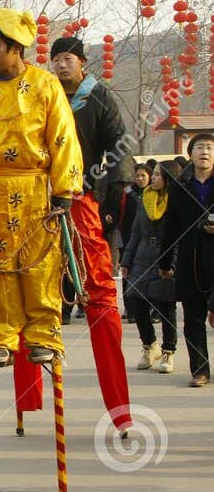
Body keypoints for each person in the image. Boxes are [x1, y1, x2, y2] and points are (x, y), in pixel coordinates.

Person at [0, 10, 82, 366]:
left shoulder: (45, 85)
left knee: (40, 262)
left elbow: (63, 136)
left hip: (36, 186)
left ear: (15, 48)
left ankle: (43, 335)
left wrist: (64, 190)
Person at [49, 35, 132, 431]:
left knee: (99, 290)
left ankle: (119, 408)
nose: (61, 66)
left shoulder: (98, 95)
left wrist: (109, 194)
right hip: (38, 198)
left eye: (67, 59)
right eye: (55, 59)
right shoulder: (42, 92)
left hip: (82, 197)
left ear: (81, 62)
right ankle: (28, 396)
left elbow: (119, 146)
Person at [162, 130, 214, 387]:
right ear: (190, 154)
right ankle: (200, 370)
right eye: (200, 147)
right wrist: (165, 262)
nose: (205, 151)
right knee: (193, 317)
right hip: (190, 258)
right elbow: (170, 224)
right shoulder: (179, 186)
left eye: (209, 147)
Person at [121, 162, 177, 372]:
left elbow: (180, 235)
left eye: (157, 175)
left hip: (165, 257)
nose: (153, 178)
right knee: (137, 303)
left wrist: (172, 263)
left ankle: (168, 352)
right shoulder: (145, 198)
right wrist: (126, 261)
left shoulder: (176, 201)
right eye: (152, 174)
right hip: (141, 257)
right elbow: (135, 232)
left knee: (166, 307)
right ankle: (149, 345)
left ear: (168, 178)